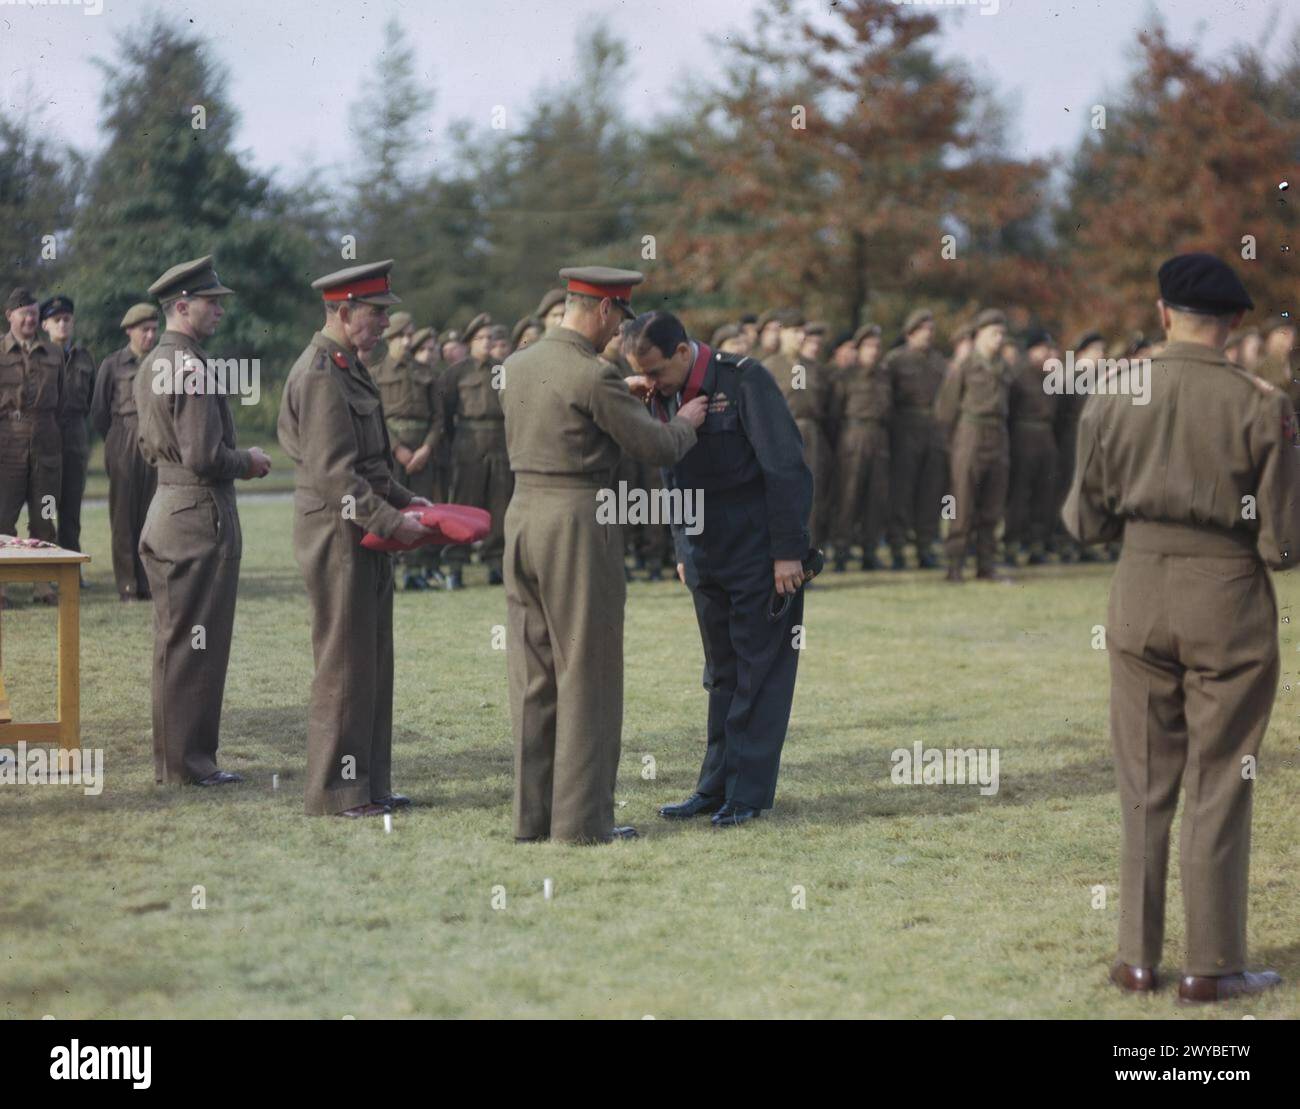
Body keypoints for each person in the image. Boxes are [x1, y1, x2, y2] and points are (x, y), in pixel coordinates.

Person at [1064, 252, 1300, 1003]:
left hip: (1138, 589)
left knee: (1142, 782)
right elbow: (1283, 542)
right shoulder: (1262, 402)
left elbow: (1084, 518)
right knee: (1220, 780)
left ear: (1163, 312)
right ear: (1233, 325)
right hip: (1226, 594)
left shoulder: (1113, 390)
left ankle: (1136, 957)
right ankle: (1211, 963)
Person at [501, 266, 705, 844]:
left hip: (523, 518)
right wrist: (685, 423)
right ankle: (583, 822)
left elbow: (559, 420)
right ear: (603, 310)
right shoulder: (594, 374)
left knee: (533, 674)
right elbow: (653, 444)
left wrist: (621, 394)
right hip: (577, 525)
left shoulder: (517, 366)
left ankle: (533, 818)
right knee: (587, 672)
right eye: (618, 321)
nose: (619, 335)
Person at [626, 311, 813, 828]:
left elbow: (785, 465)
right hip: (707, 551)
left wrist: (787, 552)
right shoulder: (661, 390)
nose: (653, 382)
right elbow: (673, 474)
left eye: (658, 371)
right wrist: (684, 551)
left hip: (759, 549)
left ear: (683, 352)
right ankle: (713, 788)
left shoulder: (745, 379)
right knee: (722, 673)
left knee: (759, 671)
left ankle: (747, 793)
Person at [278, 260, 433, 818]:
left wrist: (403, 498)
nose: (385, 324)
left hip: (361, 529)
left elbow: (369, 463)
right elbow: (336, 474)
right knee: (345, 664)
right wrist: (393, 523)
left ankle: (369, 785)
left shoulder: (349, 366)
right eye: (376, 313)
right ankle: (339, 794)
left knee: (370, 660)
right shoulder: (322, 373)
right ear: (344, 313)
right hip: (339, 533)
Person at [134, 255, 272, 785]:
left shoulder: (153, 363)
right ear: (182, 306)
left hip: (170, 508)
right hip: (195, 515)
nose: (220, 310)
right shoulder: (190, 367)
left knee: (178, 644)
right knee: (195, 644)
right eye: (212, 302)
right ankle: (189, 766)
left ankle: (179, 762)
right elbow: (204, 455)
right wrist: (251, 461)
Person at [934, 308, 1012, 583]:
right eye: (994, 333)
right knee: (963, 503)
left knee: (992, 505)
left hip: (998, 435)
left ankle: (986, 564)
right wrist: (954, 446)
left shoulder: (1004, 367)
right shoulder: (964, 366)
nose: (999, 339)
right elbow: (946, 411)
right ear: (979, 335)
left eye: (1002, 334)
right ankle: (954, 565)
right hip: (970, 433)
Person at [91, 302, 160, 601]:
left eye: (154, 330)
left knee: (152, 515)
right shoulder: (113, 364)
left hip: (156, 441)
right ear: (130, 331)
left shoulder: (162, 362)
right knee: (123, 517)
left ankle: (147, 583)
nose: (150, 336)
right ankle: (128, 585)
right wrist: (116, 440)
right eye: (144, 330)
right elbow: (98, 412)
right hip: (123, 439)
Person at [0, 288, 62, 607]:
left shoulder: (54, 354)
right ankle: (2, 587)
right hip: (6, 446)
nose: (30, 318)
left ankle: (43, 584)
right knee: (2, 517)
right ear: (9, 315)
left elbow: (61, 402)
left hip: (46, 447)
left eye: (35, 313)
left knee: (45, 514)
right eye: (24, 313)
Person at [442, 312, 511, 588]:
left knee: (500, 503)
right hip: (468, 441)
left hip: (499, 439)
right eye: (480, 338)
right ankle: (456, 565)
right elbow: (445, 414)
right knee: (464, 505)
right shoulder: (456, 373)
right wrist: (454, 443)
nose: (486, 343)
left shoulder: (504, 370)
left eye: (490, 338)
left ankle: (495, 563)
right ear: (470, 342)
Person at [374, 318, 444, 591]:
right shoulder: (375, 373)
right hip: (391, 451)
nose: (407, 341)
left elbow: (439, 419)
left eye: (410, 335)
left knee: (420, 509)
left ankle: (415, 571)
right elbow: (374, 417)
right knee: (390, 507)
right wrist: (396, 449)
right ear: (389, 338)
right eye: (401, 336)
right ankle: (389, 569)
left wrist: (426, 448)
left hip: (422, 449)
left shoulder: (428, 374)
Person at [883, 309, 948, 570]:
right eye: (923, 330)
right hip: (905, 428)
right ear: (910, 333)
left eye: (931, 330)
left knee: (930, 492)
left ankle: (925, 546)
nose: (928, 335)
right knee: (902, 491)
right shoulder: (895, 360)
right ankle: (898, 546)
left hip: (933, 429)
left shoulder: (939, 361)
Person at [40, 296, 95, 567]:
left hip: (74, 438)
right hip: (46, 438)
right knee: (46, 508)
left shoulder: (84, 357)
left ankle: (71, 569)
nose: (62, 324)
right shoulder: (38, 357)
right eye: (56, 320)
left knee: (71, 511)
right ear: (45, 325)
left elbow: (93, 402)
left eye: (67, 319)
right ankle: (47, 569)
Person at [831, 323, 890, 570]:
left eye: (877, 346)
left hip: (879, 435)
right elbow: (834, 412)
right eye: (868, 346)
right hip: (853, 434)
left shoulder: (885, 375)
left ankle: (870, 551)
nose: (873, 352)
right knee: (849, 496)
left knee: (875, 497)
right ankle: (842, 551)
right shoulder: (846, 375)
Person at [1003, 329, 1059, 566]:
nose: (1046, 354)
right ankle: (1012, 544)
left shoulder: (1052, 377)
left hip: (1046, 437)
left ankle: (1037, 545)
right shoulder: (1018, 375)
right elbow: (1010, 410)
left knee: (1043, 495)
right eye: (1042, 349)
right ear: (1031, 350)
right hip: (1023, 436)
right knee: (1019, 495)